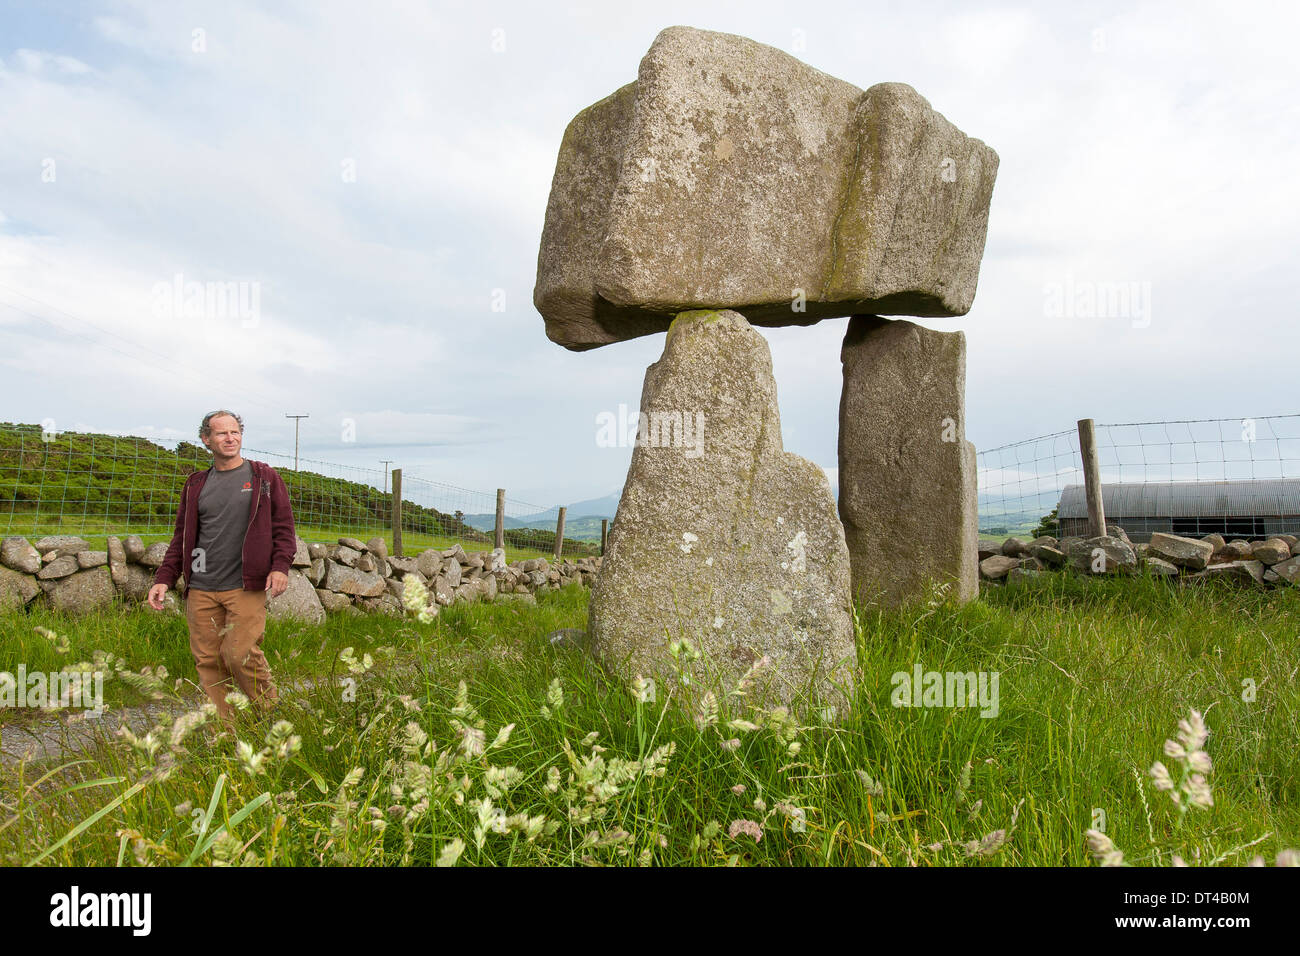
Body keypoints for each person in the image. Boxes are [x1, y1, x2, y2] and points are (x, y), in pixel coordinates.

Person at [148, 410, 296, 721]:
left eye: (235, 432)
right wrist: (164, 578)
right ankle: (224, 733)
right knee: (209, 661)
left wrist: (279, 567)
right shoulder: (195, 484)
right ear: (206, 440)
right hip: (201, 586)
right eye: (221, 433)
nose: (230, 438)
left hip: (245, 584)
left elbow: (283, 527)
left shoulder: (263, 477)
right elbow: (182, 536)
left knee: (239, 654)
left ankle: (270, 715)